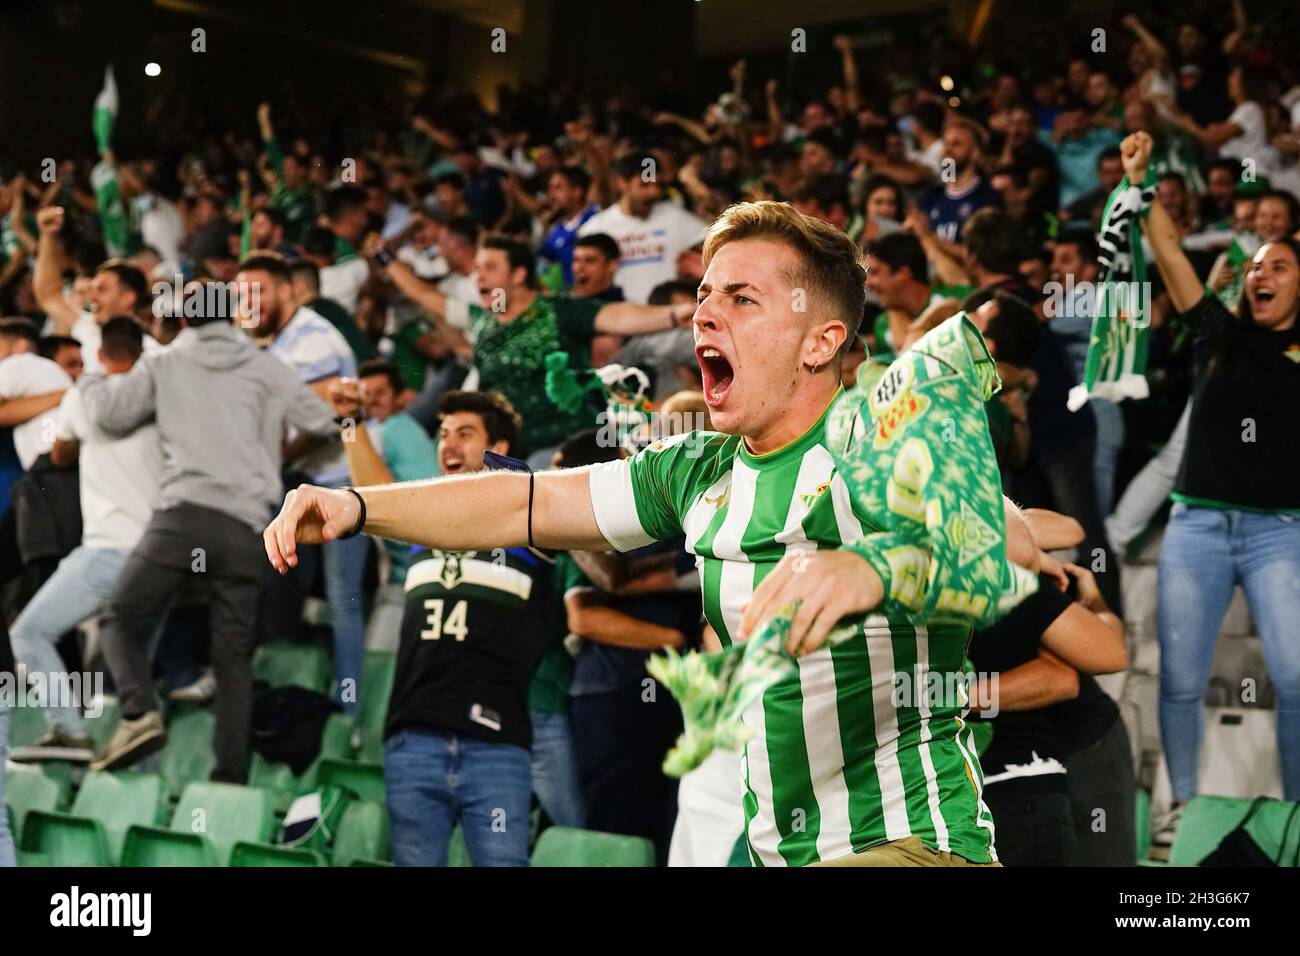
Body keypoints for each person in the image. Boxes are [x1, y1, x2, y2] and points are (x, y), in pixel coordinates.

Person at [265, 201, 1034, 867]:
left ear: (820, 342)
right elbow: (521, 502)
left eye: (742, 298)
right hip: (780, 848)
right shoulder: (697, 472)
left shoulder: (878, 434)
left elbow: (1003, 545)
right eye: (704, 295)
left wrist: (868, 567)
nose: (705, 313)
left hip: (908, 843)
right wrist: (365, 507)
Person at [1118, 130, 1300, 856]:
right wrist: (1143, 178)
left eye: (1280, 265)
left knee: (1293, 678)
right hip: (1195, 528)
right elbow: (1168, 253)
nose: (1261, 271)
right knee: (1180, 682)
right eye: (1255, 264)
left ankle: (1293, 816)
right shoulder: (1217, 333)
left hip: (1279, 530)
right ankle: (1178, 815)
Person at [79, 280, 338, 780]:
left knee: (120, 616)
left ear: (184, 316)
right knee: (233, 660)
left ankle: (138, 712)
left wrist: (91, 374)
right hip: (247, 529)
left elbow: (113, 414)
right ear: (231, 315)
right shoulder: (266, 366)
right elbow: (325, 421)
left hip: (183, 518)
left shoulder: (166, 361)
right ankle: (230, 779)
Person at [380, 390, 558, 866]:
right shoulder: (418, 531)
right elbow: (366, 501)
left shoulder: (534, 534)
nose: (448, 446)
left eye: (464, 435)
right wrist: (351, 424)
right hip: (412, 741)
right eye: (442, 435)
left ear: (497, 449)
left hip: (497, 747)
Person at [372, 233, 696, 467]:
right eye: (477, 269)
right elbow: (426, 296)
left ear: (519, 274)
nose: (478, 276)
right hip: (510, 453)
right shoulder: (481, 323)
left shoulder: (558, 310)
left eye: (489, 268)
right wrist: (384, 258)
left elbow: (618, 316)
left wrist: (671, 315)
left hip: (566, 447)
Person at [7, 319, 162, 762]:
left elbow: (59, 451)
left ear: (100, 357)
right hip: (158, 553)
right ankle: (138, 770)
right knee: (133, 665)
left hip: (108, 548)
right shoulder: (160, 399)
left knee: (29, 632)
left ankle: (69, 731)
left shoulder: (82, 398)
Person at [243, 253, 365, 718]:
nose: (246, 303)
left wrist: (272, 457)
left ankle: (350, 712)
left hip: (342, 485)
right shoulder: (281, 341)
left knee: (343, 599)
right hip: (307, 485)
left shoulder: (312, 339)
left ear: (288, 290)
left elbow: (329, 417)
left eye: (257, 292)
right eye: (240, 295)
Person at [326, 360, 439, 652]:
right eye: (366, 393)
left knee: (381, 666)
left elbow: (420, 503)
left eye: (381, 392)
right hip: (403, 577)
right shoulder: (376, 431)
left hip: (416, 580)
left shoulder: (398, 430)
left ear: (401, 397)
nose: (373, 400)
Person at [577, 153, 707, 304]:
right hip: (618, 316)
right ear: (621, 183)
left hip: (668, 317)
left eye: (658, 185)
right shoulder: (595, 228)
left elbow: (720, 236)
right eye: (644, 185)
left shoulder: (677, 218)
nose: (654, 192)